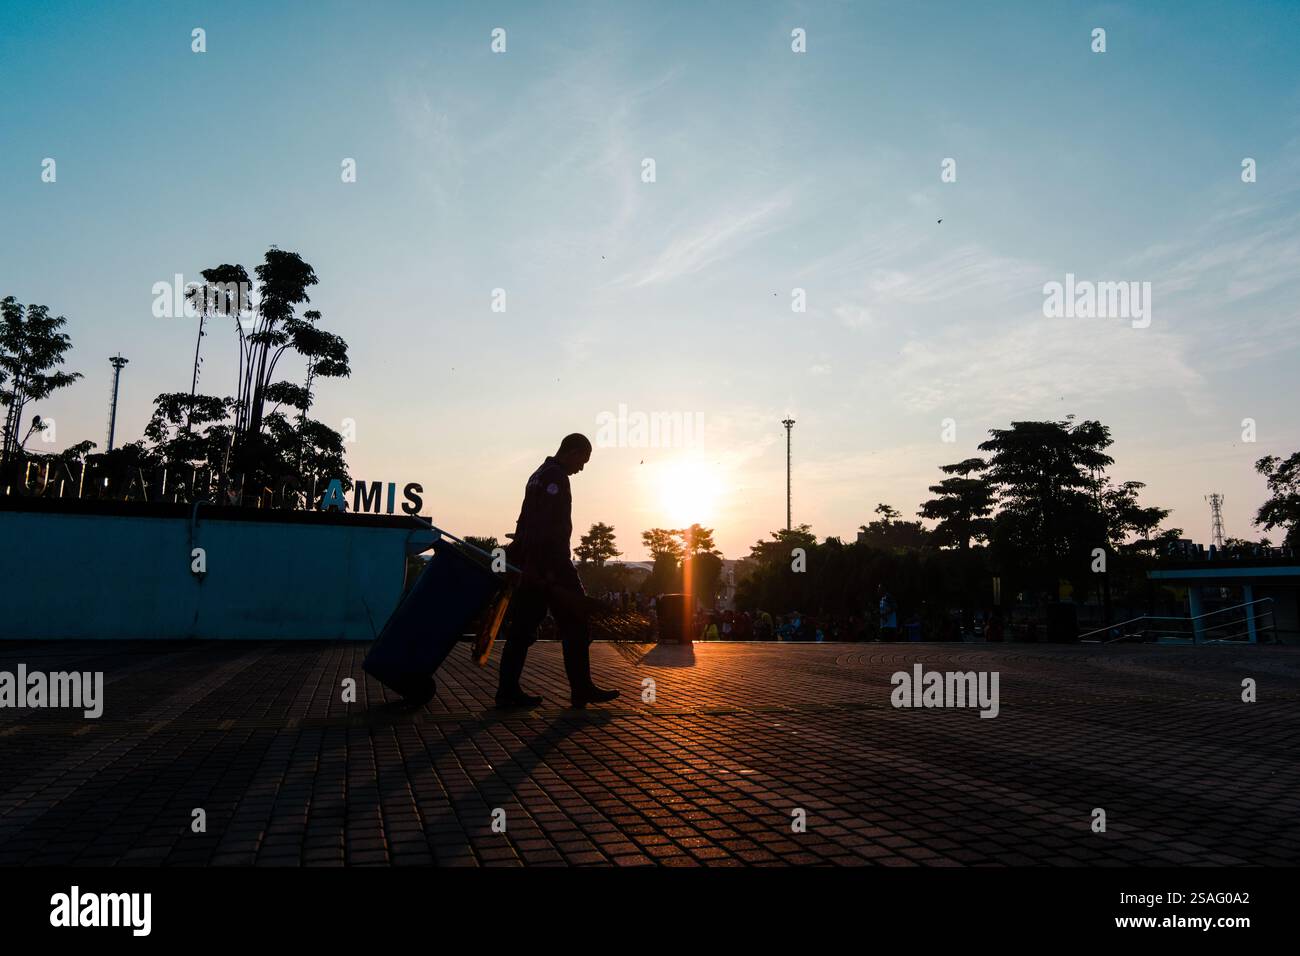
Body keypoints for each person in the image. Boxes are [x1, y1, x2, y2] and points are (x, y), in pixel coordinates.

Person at [496, 433, 620, 709]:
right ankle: (581, 688)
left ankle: (507, 690)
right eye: (582, 461)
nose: (581, 468)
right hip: (552, 566)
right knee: (576, 624)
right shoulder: (555, 477)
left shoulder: (537, 474)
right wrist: (549, 572)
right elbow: (547, 527)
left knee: (523, 628)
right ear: (572, 451)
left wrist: (523, 561)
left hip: (532, 564)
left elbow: (526, 521)